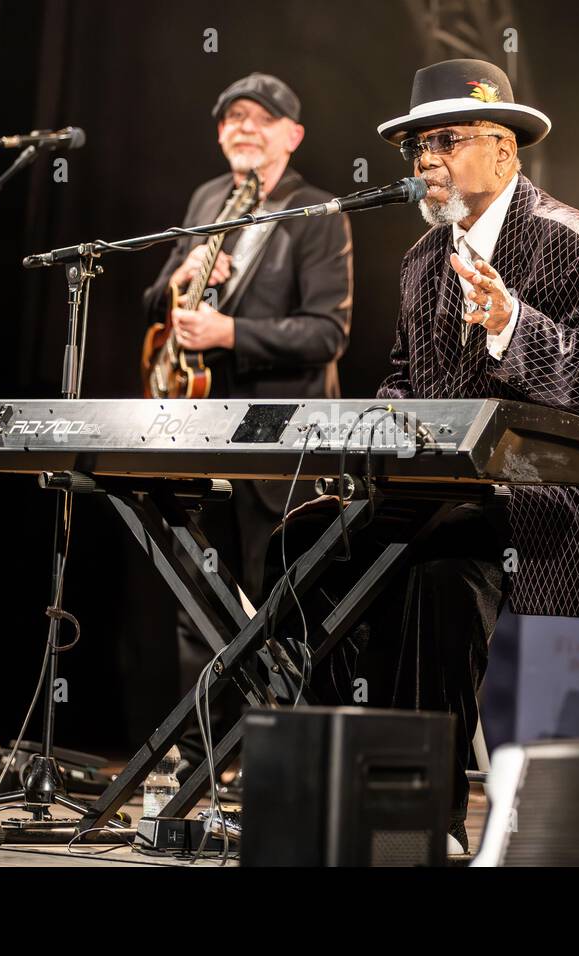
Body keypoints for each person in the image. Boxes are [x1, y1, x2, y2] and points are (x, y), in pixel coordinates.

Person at [279, 58, 579, 853]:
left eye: (445, 140)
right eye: (417, 147)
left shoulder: (576, 245)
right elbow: (400, 381)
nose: (426, 162)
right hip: (452, 491)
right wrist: (371, 435)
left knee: (436, 557)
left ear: (505, 150)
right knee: (309, 542)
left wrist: (511, 323)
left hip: (573, 502)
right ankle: (345, 780)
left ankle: (425, 813)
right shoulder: (423, 262)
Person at [141, 72, 353, 784]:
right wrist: (183, 279)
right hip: (200, 433)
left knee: (280, 607)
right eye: (232, 117)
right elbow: (152, 301)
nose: (243, 127)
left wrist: (232, 331)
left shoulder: (317, 210)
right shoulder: (207, 201)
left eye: (261, 118)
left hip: (280, 443)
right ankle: (203, 761)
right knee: (198, 603)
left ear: (291, 135)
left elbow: (328, 333)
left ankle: (284, 767)